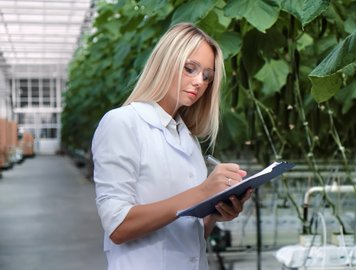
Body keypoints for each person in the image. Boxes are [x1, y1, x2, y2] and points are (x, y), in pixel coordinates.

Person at [91, 23, 253, 270]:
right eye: (190, 69)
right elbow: (118, 226)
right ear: (166, 62)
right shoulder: (123, 123)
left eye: (207, 76)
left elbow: (187, 232)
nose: (199, 81)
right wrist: (203, 192)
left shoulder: (187, 137)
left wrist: (214, 213)